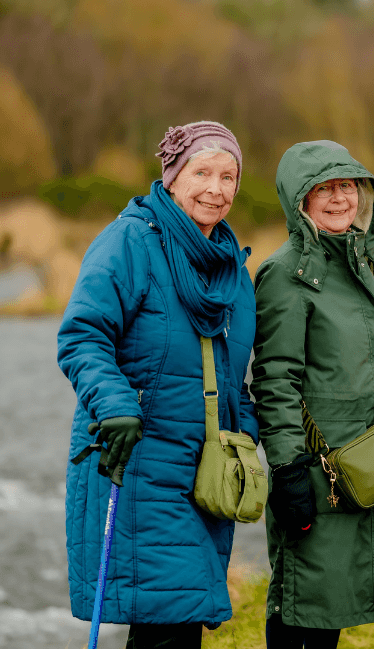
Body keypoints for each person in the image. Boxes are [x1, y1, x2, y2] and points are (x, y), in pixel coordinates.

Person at [58, 121, 259, 648]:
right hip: (138, 460)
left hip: (204, 474)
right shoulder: (129, 240)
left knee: (176, 617)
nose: (216, 189)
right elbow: (83, 336)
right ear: (172, 175)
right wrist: (115, 404)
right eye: (202, 172)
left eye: (228, 176)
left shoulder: (233, 270)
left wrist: (247, 432)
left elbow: (232, 376)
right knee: (170, 617)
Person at [251, 140, 374, 649]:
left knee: (337, 607)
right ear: (298, 199)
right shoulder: (285, 274)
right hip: (317, 474)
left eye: (346, 185)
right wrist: (285, 471)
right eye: (322, 188)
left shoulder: (366, 263)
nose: (339, 198)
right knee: (303, 603)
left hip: (370, 467)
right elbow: (275, 379)